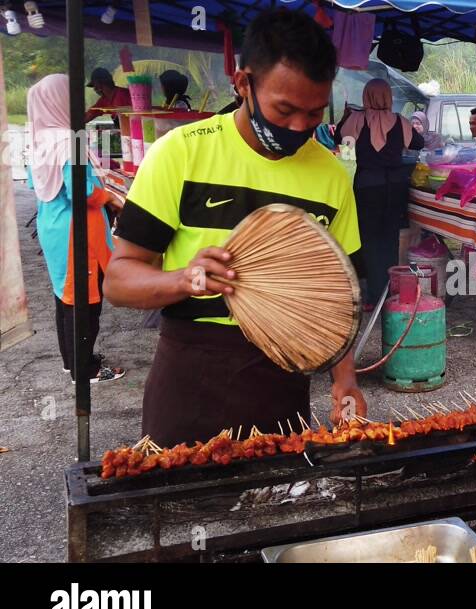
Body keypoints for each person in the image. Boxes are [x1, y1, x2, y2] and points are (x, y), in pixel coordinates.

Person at [104, 9, 365, 448]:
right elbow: (118, 280)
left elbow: (341, 296)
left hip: (282, 379)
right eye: (285, 110)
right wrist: (184, 279)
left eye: (315, 113)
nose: (300, 127)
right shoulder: (180, 155)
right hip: (189, 373)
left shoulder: (332, 175)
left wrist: (345, 381)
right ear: (243, 83)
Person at [26, 74, 126, 384]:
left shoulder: (38, 139)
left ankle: (73, 363)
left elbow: (34, 184)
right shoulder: (70, 142)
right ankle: (87, 371)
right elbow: (82, 192)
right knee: (86, 301)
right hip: (77, 232)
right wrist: (111, 195)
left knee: (64, 295)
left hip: (51, 225)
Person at [335, 79, 424, 307]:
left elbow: (339, 139)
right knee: (390, 239)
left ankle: (374, 296)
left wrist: (346, 117)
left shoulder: (355, 119)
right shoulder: (400, 121)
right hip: (395, 187)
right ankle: (390, 293)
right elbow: (419, 142)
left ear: (366, 96)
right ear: (388, 97)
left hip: (367, 186)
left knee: (369, 239)